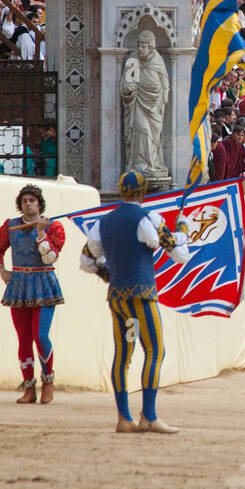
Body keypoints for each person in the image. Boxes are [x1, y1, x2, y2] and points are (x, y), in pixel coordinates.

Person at [79, 171, 193, 434]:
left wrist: (109, 274)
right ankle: (149, 416)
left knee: (123, 355)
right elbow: (178, 254)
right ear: (144, 192)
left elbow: (86, 261)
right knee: (154, 351)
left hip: (118, 298)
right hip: (142, 295)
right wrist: (183, 231)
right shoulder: (148, 218)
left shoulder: (104, 222)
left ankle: (123, 417)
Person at [0, 184, 66, 404]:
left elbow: (50, 258)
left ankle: (48, 382)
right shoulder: (10, 226)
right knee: (23, 338)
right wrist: (1, 270)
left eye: (32, 200)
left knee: (40, 335)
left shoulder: (54, 227)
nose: (28, 204)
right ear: (20, 204)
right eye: (25, 201)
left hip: (43, 283)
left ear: (39, 204)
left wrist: (41, 233)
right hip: (19, 285)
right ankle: (29, 388)